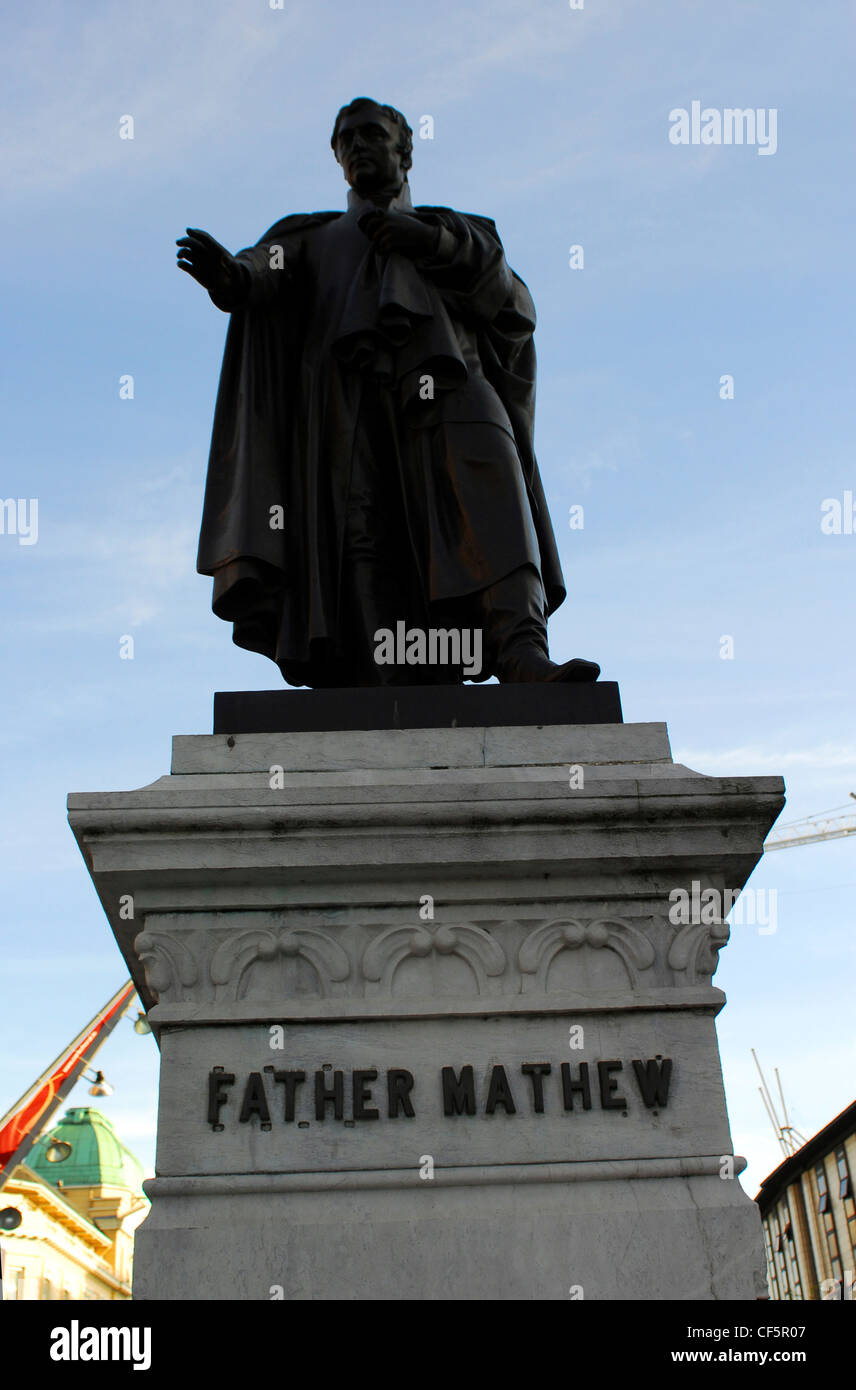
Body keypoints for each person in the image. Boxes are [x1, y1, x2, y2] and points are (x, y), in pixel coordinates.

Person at [177, 97, 599, 688]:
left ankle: (520, 652)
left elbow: (510, 299)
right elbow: (268, 264)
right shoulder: (313, 237)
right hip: (346, 399)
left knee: (493, 492)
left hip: (450, 380)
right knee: (359, 529)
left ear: (404, 150)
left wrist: (425, 241)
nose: (357, 146)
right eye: (345, 140)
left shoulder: (459, 229)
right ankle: (384, 674)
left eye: (371, 134)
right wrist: (236, 277)